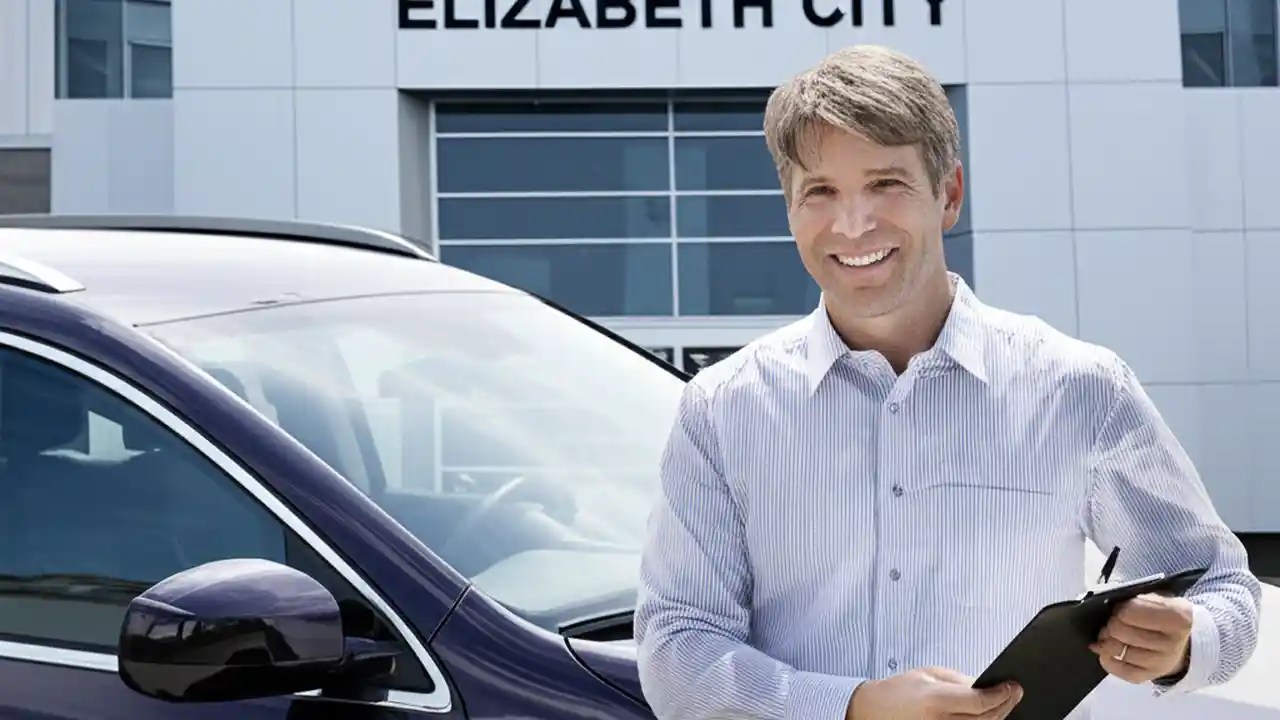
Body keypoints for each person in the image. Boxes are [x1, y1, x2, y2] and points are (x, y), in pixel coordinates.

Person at [633, 44, 1262, 720]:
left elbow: (1223, 586)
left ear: (949, 194)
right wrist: (853, 707)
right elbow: (676, 652)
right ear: (790, 210)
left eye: (886, 184)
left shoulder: (1081, 389)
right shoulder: (722, 410)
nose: (852, 224)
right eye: (821, 192)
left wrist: (1187, 641)